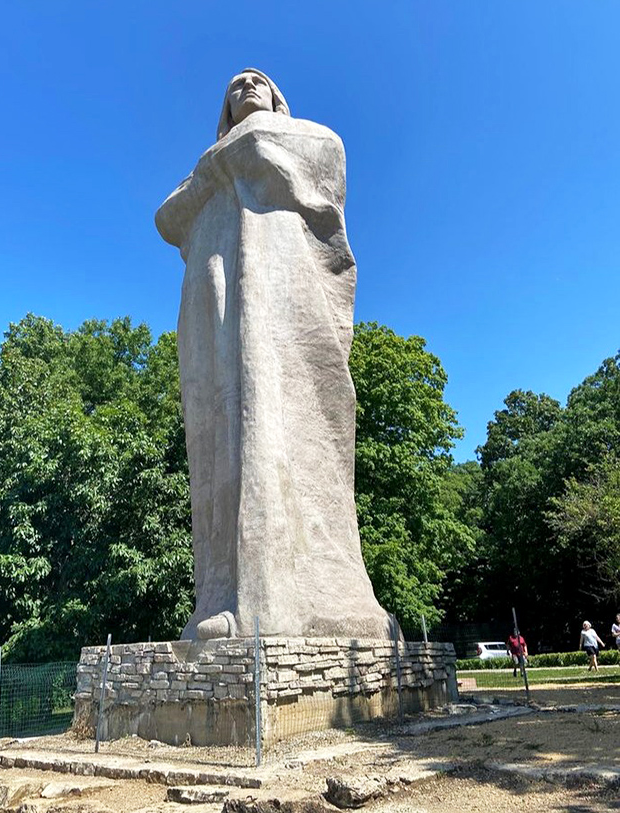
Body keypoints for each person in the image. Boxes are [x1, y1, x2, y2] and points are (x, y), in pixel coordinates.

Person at [155, 69, 393, 640]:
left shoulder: (307, 135)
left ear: (277, 96)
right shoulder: (212, 161)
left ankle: (288, 598)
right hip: (217, 296)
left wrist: (226, 163)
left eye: (256, 81)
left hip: (280, 289)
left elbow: (321, 162)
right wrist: (222, 166)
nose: (245, 86)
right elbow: (166, 219)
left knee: (278, 422)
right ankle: (230, 595)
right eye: (234, 85)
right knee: (225, 442)